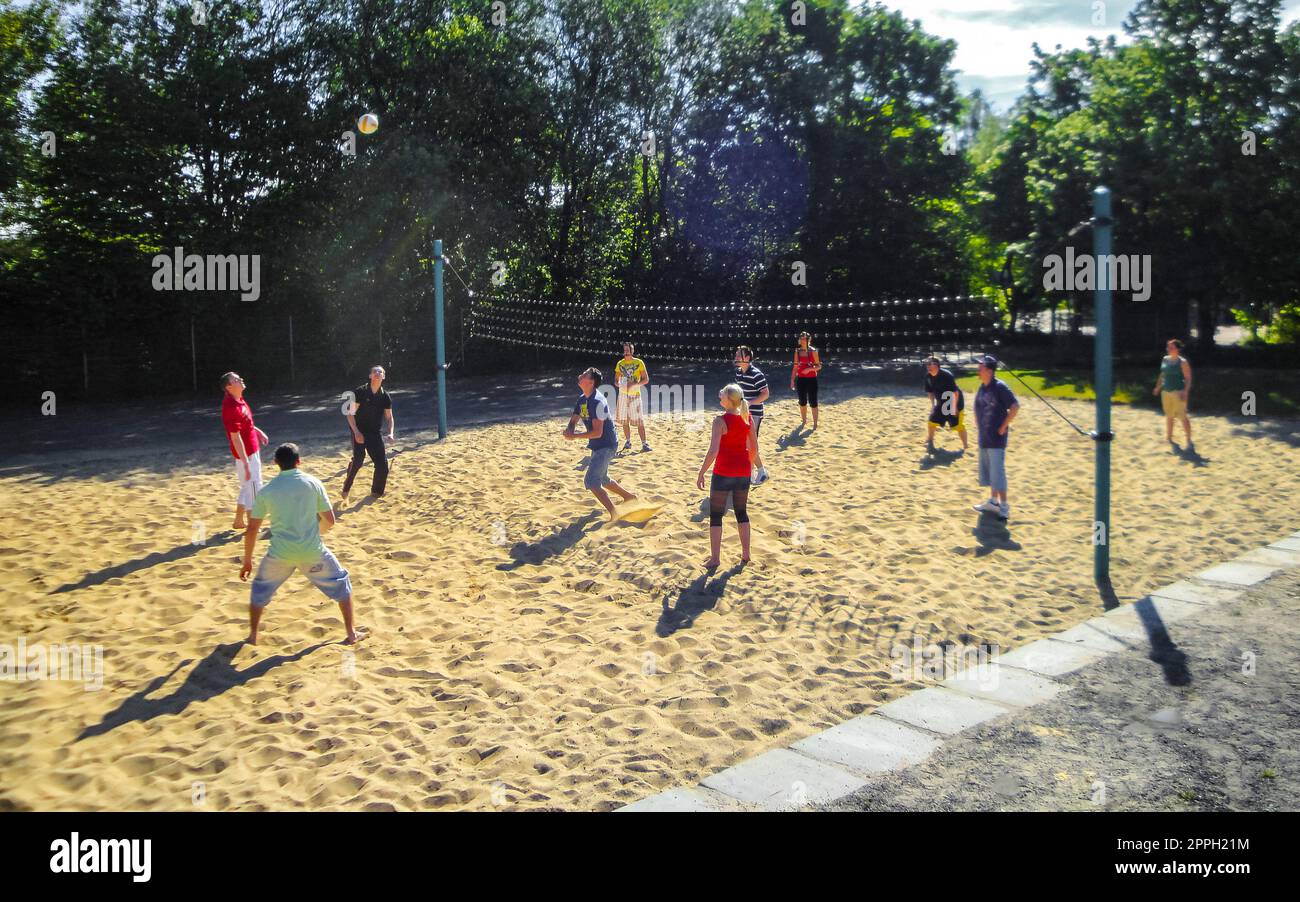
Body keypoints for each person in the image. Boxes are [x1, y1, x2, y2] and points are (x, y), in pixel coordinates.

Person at [239, 443, 364, 646]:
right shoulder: (313, 483)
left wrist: (247, 561)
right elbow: (330, 520)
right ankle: (351, 633)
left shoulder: (267, 491)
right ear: (299, 461)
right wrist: (317, 535)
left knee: (260, 590)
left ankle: (253, 636)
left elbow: (252, 529)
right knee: (342, 584)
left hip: (280, 553)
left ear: (275, 464)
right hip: (312, 550)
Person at [696, 384, 758, 569]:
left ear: (729, 400)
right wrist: (749, 465)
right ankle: (746, 554)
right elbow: (754, 449)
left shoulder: (719, 421)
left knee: (716, 515)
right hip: (743, 471)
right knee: (741, 512)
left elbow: (713, 451)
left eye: (721, 394)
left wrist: (701, 472)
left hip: (723, 472)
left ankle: (715, 559)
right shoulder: (748, 419)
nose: (719, 396)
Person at [563, 367, 637, 519]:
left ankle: (614, 513)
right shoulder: (583, 398)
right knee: (603, 478)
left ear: (590, 382)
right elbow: (573, 420)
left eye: (584, 374)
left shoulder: (598, 402)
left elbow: (598, 432)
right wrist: (569, 430)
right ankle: (629, 497)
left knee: (591, 481)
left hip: (607, 445)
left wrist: (575, 436)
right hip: (598, 444)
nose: (580, 374)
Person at [971, 355, 1019, 520]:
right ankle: (993, 502)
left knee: (998, 472)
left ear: (989, 370)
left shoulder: (1000, 387)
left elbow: (1014, 406)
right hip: (984, 436)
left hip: (996, 438)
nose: (978, 369)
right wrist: (978, 424)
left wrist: (1004, 426)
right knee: (990, 472)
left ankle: (1004, 506)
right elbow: (976, 407)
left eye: (981, 367)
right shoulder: (982, 387)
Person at [221, 372, 269, 530]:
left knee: (247, 486)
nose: (241, 380)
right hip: (246, 455)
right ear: (229, 387)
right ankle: (253, 525)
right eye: (236, 379)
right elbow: (235, 438)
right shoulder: (230, 407)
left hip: (251, 451)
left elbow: (246, 424)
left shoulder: (239, 400)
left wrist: (257, 431)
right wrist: (246, 463)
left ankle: (238, 521)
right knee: (254, 488)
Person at [341, 365, 394, 503]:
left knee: (382, 464)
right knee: (359, 460)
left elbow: (389, 417)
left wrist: (391, 433)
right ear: (370, 376)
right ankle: (346, 488)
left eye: (380, 372)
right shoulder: (360, 392)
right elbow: (350, 414)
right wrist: (356, 432)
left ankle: (376, 492)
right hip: (358, 429)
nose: (377, 373)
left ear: (384, 376)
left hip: (374, 432)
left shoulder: (385, 396)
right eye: (375, 371)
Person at [733, 346, 770, 486]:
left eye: (739, 354)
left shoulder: (756, 374)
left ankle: (762, 472)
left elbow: (766, 394)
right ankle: (751, 473)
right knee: (745, 444)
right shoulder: (738, 373)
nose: (736, 357)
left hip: (755, 414)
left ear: (747, 358)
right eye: (736, 354)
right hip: (743, 412)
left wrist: (750, 403)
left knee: (750, 444)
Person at [1152, 338, 1193, 446]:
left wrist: (1185, 391)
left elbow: (1188, 378)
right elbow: (1162, 375)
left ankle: (1188, 439)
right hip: (1166, 391)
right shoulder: (1165, 359)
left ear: (1177, 349)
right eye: (1168, 347)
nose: (1168, 349)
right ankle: (1169, 437)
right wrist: (1158, 387)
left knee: (1182, 416)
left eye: (1171, 347)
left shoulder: (1182, 362)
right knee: (1169, 415)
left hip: (1178, 391)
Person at [923, 356, 968, 451]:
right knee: (931, 422)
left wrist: (955, 408)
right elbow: (930, 392)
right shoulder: (928, 376)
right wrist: (932, 405)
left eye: (930, 364)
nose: (928, 367)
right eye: (927, 364)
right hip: (940, 402)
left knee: (957, 426)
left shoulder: (947, 375)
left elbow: (955, 393)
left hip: (953, 401)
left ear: (937, 366)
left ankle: (965, 446)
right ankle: (930, 439)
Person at [614, 341, 651, 452]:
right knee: (625, 420)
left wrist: (635, 384)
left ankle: (644, 444)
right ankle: (628, 441)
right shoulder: (620, 364)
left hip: (635, 395)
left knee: (639, 421)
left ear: (632, 351)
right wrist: (620, 384)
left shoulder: (639, 362)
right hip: (623, 395)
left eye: (628, 350)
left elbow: (646, 379)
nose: (626, 352)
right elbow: (616, 381)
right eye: (624, 350)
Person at [790, 332, 822, 429]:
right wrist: (792, 380)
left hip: (812, 379)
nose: (803, 340)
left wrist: (809, 369)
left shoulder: (813, 351)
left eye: (805, 339)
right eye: (802, 339)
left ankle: (815, 423)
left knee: (813, 401)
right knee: (802, 401)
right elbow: (795, 367)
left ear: (809, 340)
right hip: (801, 379)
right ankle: (804, 421)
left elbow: (819, 366)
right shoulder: (797, 351)